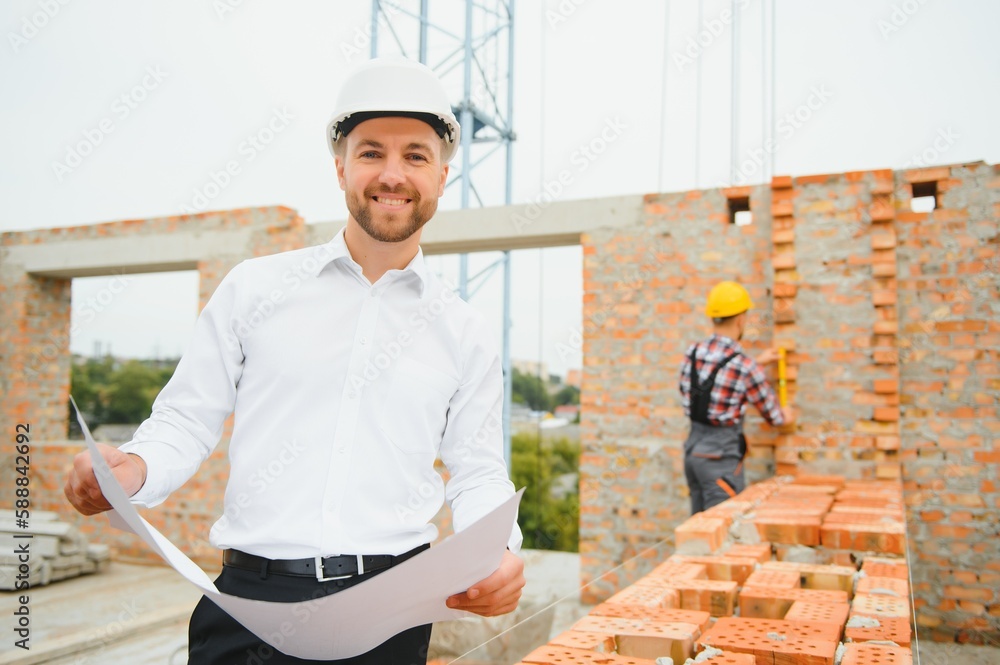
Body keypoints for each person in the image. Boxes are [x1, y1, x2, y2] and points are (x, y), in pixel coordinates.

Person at [64, 57, 524, 665]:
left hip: (391, 615)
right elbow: (186, 420)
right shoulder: (254, 289)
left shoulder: (463, 330)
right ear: (340, 168)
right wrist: (134, 472)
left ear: (442, 175)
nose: (392, 173)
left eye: (415, 155)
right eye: (370, 153)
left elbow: (477, 470)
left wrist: (499, 550)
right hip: (248, 610)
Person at [678, 281, 794, 514]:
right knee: (722, 534)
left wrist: (755, 364)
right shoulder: (744, 367)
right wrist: (787, 415)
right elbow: (776, 418)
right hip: (719, 460)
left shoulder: (693, 352)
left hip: (693, 454)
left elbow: (703, 385)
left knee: (698, 531)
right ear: (741, 319)